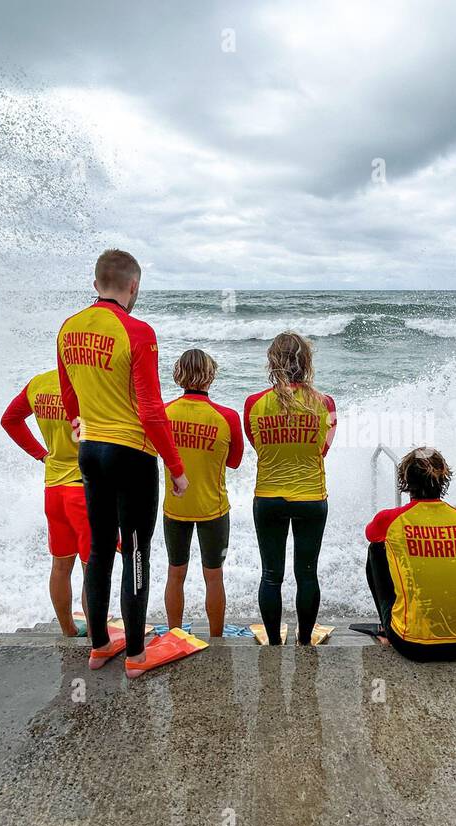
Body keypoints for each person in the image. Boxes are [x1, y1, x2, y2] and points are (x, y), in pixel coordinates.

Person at [56, 249, 189, 678]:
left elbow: (70, 400)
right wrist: (176, 467)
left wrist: (86, 433)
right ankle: (135, 654)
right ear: (134, 287)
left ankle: (98, 646)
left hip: (90, 451)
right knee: (134, 550)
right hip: (130, 454)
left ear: (96, 284)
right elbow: (151, 410)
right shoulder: (137, 330)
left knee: (98, 548)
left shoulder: (68, 329)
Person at [244, 331, 336, 645]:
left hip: (268, 497)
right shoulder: (325, 403)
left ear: (272, 362)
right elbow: (322, 449)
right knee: (307, 573)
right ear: (307, 362)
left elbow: (258, 445)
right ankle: (304, 639)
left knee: (271, 574)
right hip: (311, 498)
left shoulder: (254, 403)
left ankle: (272, 641)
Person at [364, 447, 456, 662]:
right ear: (444, 478)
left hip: (410, 643)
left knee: (376, 549)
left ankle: (387, 628)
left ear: (406, 481)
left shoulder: (390, 520)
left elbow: (370, 534)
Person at [0, 369, 89, 638]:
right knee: (92, 567)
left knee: (61, 565)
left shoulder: (38, 384)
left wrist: (41, 454)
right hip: (84, 489)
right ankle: (97, 635)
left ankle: (68, 631)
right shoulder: (89, 383)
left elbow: (10, 420)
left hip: (54, 488)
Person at [162, 348, 243, 637]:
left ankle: (174, 637)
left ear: (178, 374)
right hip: (214, 510)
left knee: (175, 573)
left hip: (175, 508)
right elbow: (234, 462)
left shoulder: (164, 413)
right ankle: (217, 637)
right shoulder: (227, 417)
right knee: (214, 576)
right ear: (210, 376)